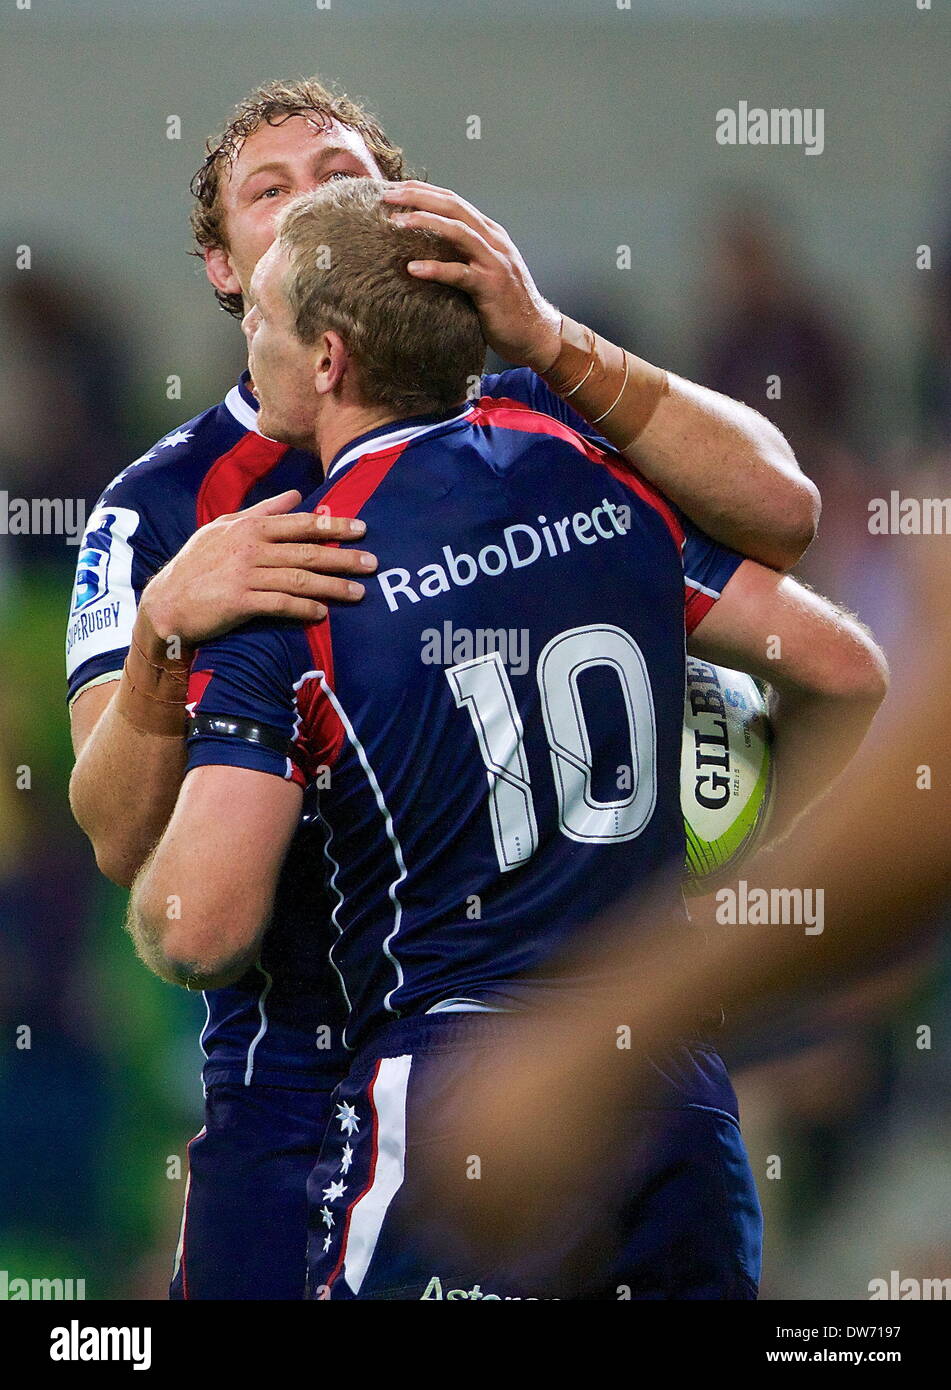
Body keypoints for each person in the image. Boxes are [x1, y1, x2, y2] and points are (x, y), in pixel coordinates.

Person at [67, 76, 819, 1299]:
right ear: (223, 267)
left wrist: (550, 336)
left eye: (345, 174)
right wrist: (161, 632)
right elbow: (113, 832)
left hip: (527, 1047)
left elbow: (784, 515)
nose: (317, 200)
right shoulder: (158, 504)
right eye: (272, 190)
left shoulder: (519, 409)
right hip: (290, 1070)